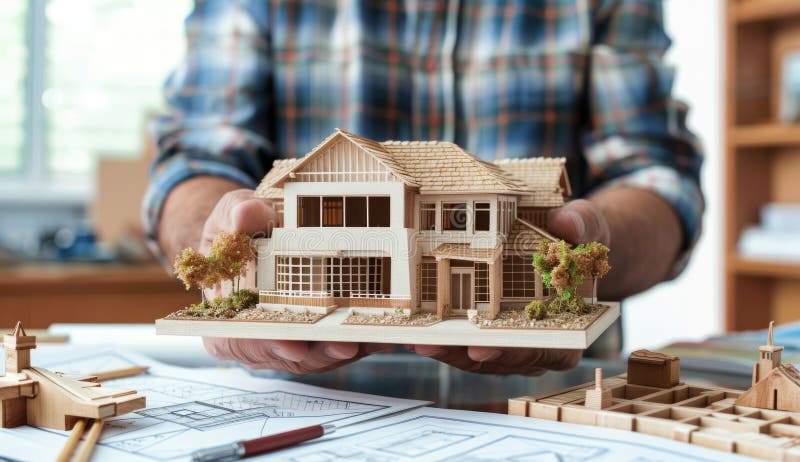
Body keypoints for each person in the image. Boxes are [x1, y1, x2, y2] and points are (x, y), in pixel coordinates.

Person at [144, 0, 703, 376]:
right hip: (299, 406)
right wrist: (224, 250)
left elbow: (655, 171)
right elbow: (197, 155)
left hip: (552, 399)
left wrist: (589, 251)